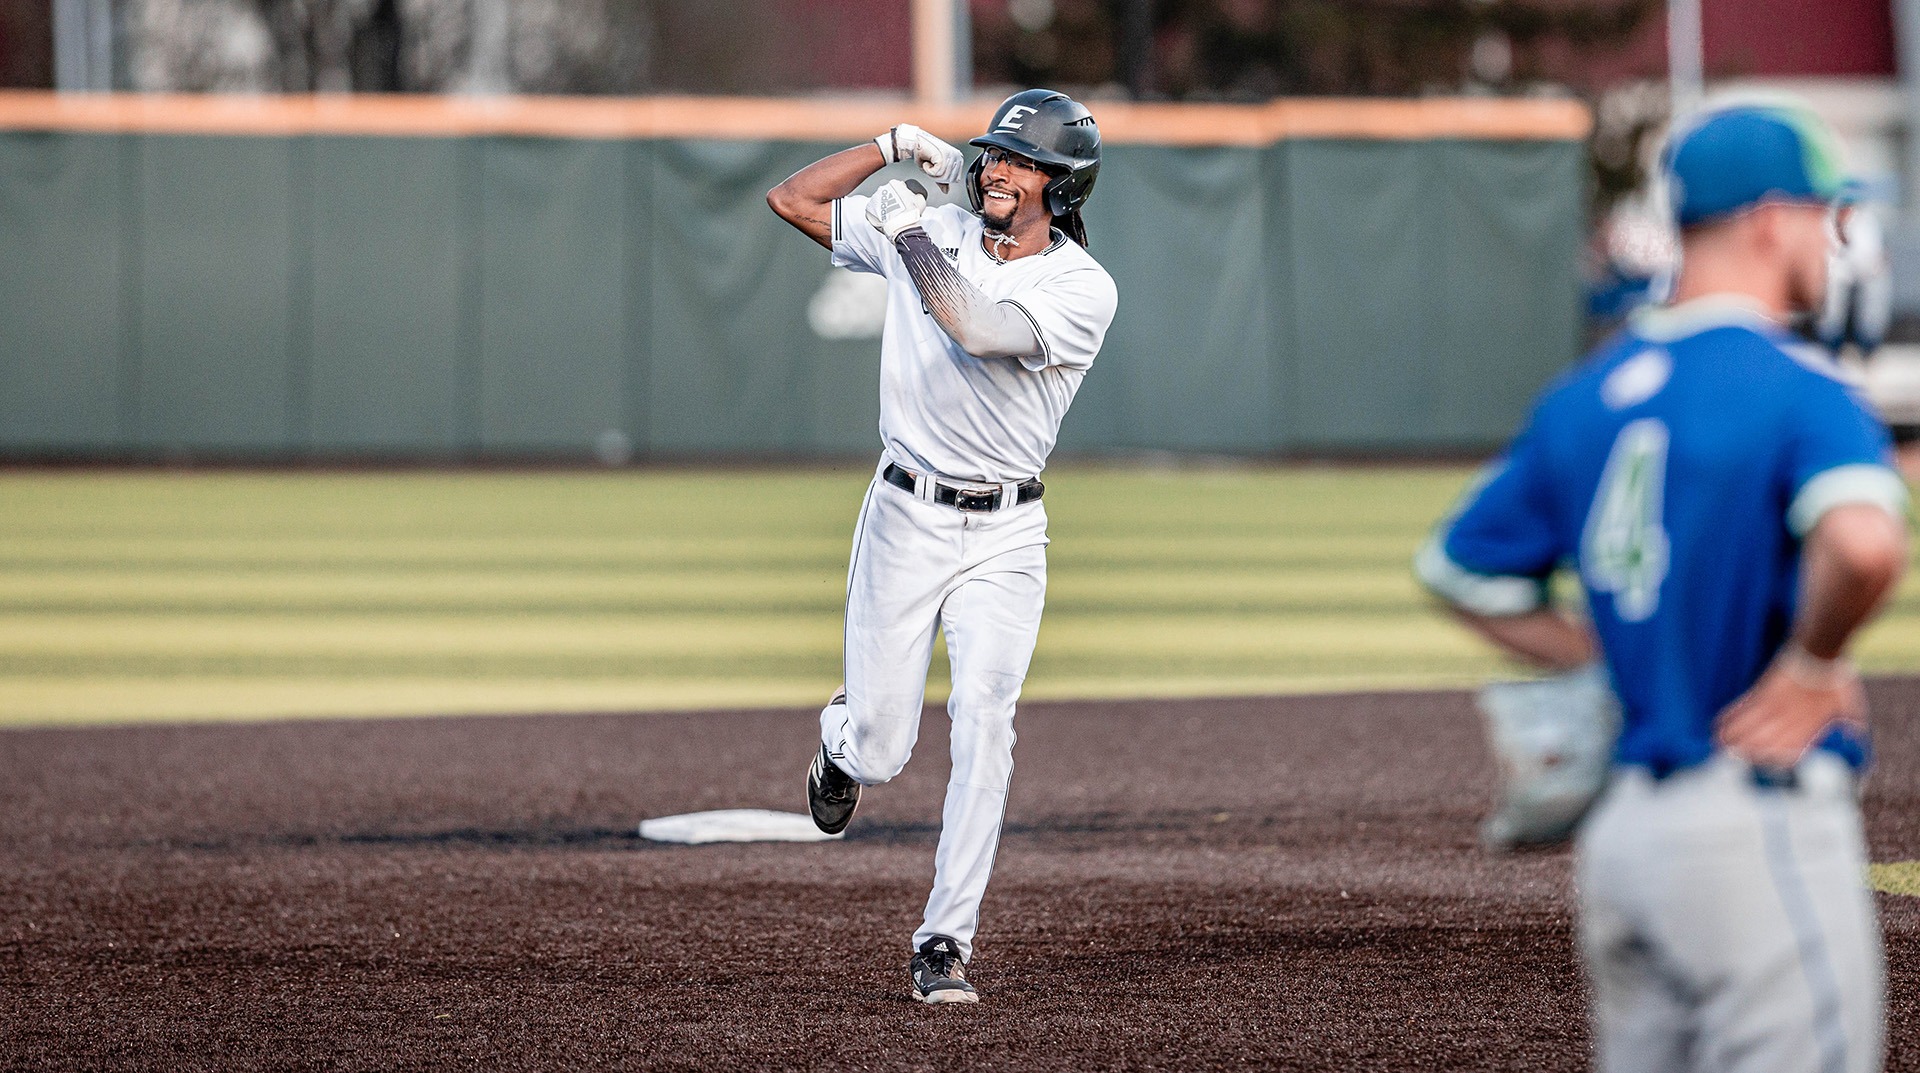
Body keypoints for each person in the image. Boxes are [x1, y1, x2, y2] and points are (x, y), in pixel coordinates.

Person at [1415, 100, 1908, 1072]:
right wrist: (1814, 663)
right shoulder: (1799, 382)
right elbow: (1864, 544)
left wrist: (1625, 647)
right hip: (1754, 818)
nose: (1832, 236)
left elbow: (1457, 569)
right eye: (1824, 212)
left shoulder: (1588, 392)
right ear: (1772, 218)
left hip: (1624, 839)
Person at [766, 90, 1117, 1004]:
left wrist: (908, 230)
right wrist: (885, 146)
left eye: (1024, 161)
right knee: (884, 749)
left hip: (1007, 533)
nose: (999, 169)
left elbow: (978, 327)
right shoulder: (941, 221)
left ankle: (944, 941)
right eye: (994, 153)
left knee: (986, 726)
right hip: (905, 516)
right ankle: (841, 742)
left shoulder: (1081, 286)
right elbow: (791, 202)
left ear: (1063, 184)